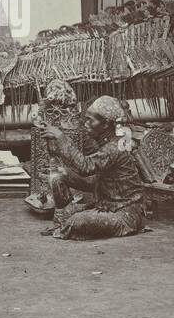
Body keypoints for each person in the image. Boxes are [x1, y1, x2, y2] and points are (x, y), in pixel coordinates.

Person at [37, 95, 145, 240]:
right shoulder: (108, 142)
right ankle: (64, 223)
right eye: (86, 119)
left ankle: (67, 225)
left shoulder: (115, 147)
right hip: (105, 204)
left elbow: (85, 167)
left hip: (123, 213)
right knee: (58, 175)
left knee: (77, 221)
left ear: (106, 124)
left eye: (90, 120)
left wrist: (60, 137)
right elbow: (92, 178)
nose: (85, 124)